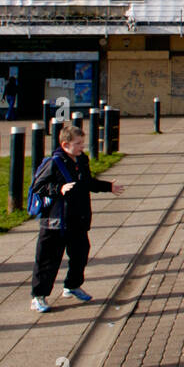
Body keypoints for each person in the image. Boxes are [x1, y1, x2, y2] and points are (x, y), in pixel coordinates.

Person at [28, 123, 125, 312]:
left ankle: (72, 286)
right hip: (55, 222)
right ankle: (38, 296)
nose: (82, 146)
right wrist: (58, 189)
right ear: (65, 145)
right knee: (48, 259)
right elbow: (38, 187)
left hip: (77, 218)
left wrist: (108, 187)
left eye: (82, 142)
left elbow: (86, 182)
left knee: (80, 254)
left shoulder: (81, 160)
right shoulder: (54, 163)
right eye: (78, 143)